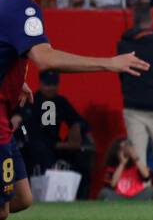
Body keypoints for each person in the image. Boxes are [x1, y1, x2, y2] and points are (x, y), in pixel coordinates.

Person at [0, 0, 148, 220]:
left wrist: (16, 80)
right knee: (6, 204)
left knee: (20, 198)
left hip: (4, 111)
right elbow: (45, 57)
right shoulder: (23, 7)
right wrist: (109, 63)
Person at [117, 3, 153, 200]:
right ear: (151, 21)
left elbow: (121, 74)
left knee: (138, 153)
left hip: (134, 106)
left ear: (134, 20)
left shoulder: (124, 44)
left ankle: (141, 193)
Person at [15, 69, 95, 198]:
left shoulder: (60, 102)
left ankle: (80, 196)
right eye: (48, 84)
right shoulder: (31, 102)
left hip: (56, 145)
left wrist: (77, 126)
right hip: (33, 147)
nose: (51, 88)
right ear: (40, 83)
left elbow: (78, 120)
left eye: (54, 84)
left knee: (81, 156)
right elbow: (27, 131)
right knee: (39, 150)